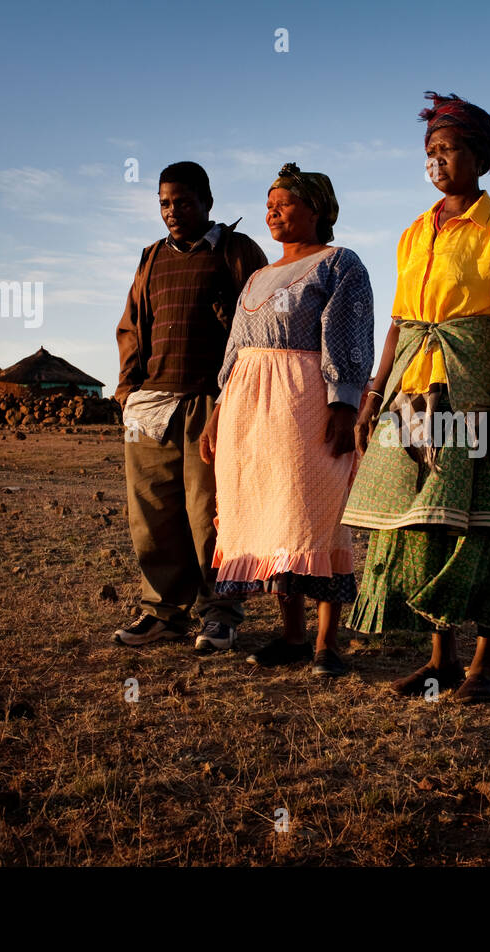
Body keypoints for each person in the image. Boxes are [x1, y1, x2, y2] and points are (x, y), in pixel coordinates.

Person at [342, 92, 490, 703]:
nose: (437, 161)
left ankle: (485, 663)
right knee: (415, 519)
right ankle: (439, 660)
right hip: (406, 391)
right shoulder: (413, 232)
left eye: (449, 150)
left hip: (467, 386)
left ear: (482, 158)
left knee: (475, 517)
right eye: (430, 151)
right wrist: (372, 394)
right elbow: (397, 323)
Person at [198, 163, 374, 677]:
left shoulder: (340, 264)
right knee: (269, 513)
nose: (271, 210)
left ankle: (326, 643)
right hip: (246, 413)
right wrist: (216, 412)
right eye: (268, 202)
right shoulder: (256, 277)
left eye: (285, 202)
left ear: (318, 208)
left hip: (305, 404)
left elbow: (347, 337)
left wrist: (345, 405)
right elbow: (235, 351)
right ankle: (293, 636)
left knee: (313, 515)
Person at [112, 161, 267, 652]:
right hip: (152, 405)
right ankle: (164, 612)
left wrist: (239, 396)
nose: (172, 211)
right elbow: (132, 327)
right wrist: (126, 392)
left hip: (212, 402)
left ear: (207, 202)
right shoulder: (152, 257)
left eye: (182, 201)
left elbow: (259, 326)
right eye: (164, 203)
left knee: (210, 513)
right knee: (152, 513)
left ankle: (220, 613)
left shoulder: (235, 251)